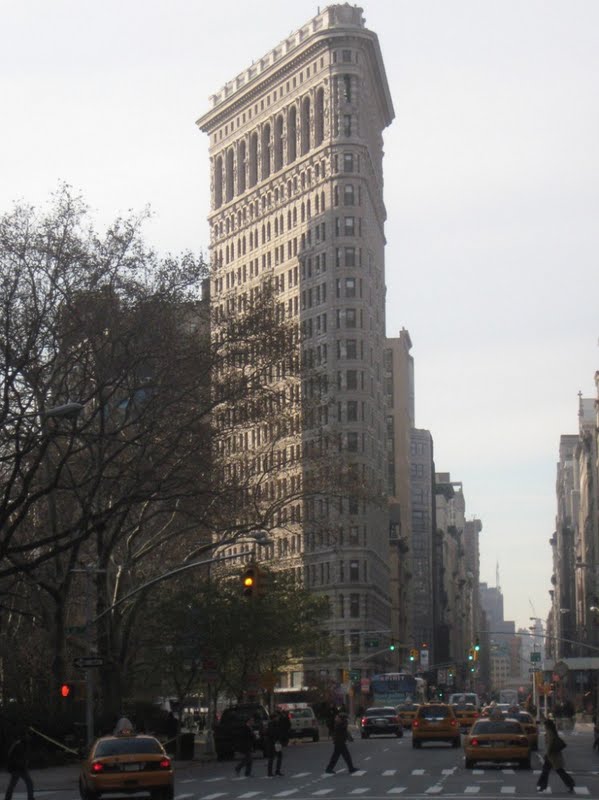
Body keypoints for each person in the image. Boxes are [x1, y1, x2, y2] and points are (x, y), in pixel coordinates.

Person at [537, 717, 575, 793]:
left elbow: (550, 744)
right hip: (552, 756)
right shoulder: (552, 731)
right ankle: (542, 786)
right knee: (547, 771)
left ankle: (570, 784)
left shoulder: (549, 732)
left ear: (547, 726)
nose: (544, 727)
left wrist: (547, 754)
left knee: (559, 771)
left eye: (545, 725)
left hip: (552, 756)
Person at [4, 733, 35, 800]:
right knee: (15, 784)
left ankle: (30, 798)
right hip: (17, 768)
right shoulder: (19, 745)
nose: (29, 737)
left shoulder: (24, 744)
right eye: (27, 736)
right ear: (24, 736)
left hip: (21, 768)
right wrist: (20, 764)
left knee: (28, 783)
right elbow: (12, 756)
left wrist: (25, 762)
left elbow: (24, 756)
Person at [265, 711, 284, 777]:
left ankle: (276, 771)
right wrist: (277, 739)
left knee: (278, 756)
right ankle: (272, 772)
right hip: (273, 742)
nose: (278, 718)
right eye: (276, 717)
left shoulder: (274, 724)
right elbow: (273, 733)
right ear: (274, 718)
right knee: (272, 757)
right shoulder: (272, 724)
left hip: (276, 742)